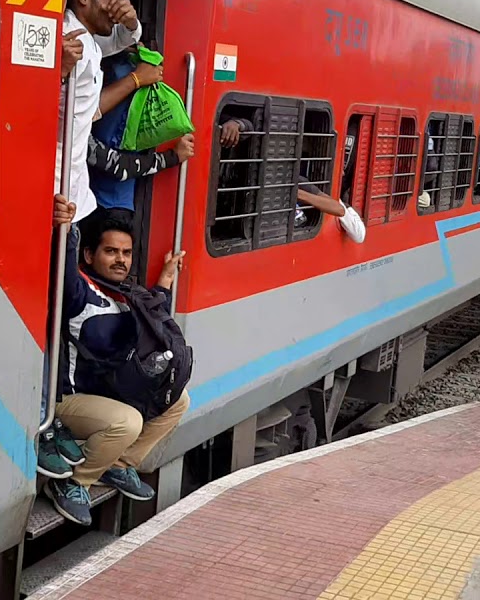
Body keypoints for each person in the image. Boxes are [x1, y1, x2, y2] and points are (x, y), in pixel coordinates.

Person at [43, 194, 190, 526]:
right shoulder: (82, 292)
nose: (120, 259)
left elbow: (150, 324)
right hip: (70, 400)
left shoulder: (125, 293)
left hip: (108, 393)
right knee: (127, 422)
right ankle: (73, 483)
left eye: (125, 253)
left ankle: (117, 464)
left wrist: (165, 281)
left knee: (178, 401)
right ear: (89, 255)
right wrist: (66, 228)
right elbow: (63, 271)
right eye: (110, 252)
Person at [57, 0, 143, 223]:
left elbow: (120, 39)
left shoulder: (88, 39)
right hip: (56, 191)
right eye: (109, 0)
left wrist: (130, 21)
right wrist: (60, 71)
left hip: (73, 190)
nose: (114, 10)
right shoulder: (69, 41)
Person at [87, 47, 196, 230]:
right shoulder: (78, 130)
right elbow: (117, 166)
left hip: (112, 200)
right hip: (105, 203)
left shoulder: (118, 66)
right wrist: (171, 157)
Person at [219, 116, 365, 243]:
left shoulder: (293, 178)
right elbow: (248, 126)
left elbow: (339, 210)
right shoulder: (243, 169)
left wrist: (297, 194)